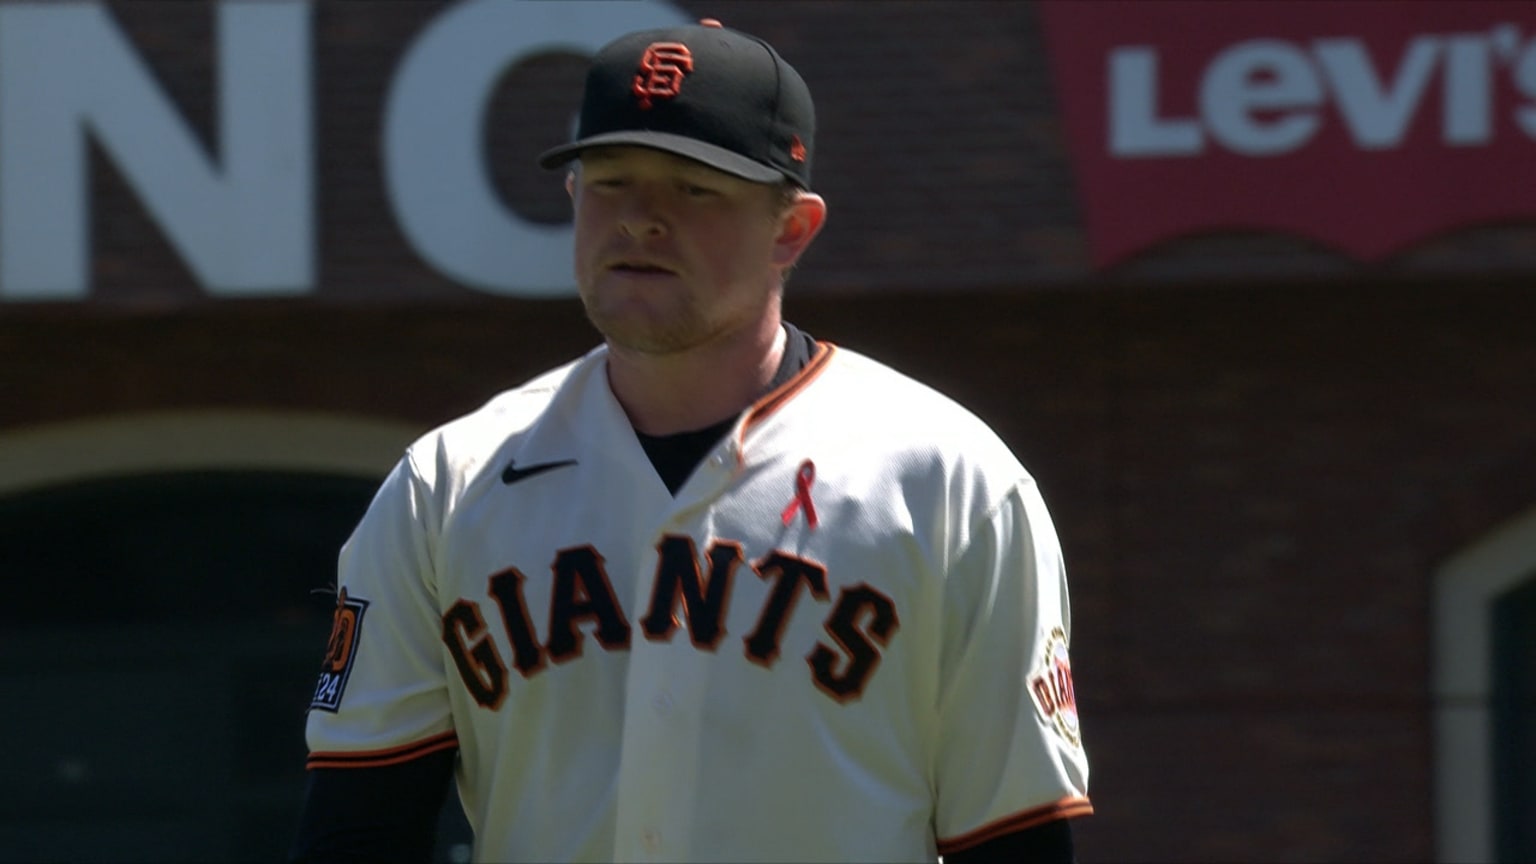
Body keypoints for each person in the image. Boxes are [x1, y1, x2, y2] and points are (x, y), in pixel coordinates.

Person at [290, 17, 1091, 864]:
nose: (640, 219)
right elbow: (358, 833)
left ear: (793, 229)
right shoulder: (446, 486)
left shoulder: (948, 481)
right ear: (572, 199)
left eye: (694, 188)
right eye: (611, 181)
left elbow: (1016, 841)